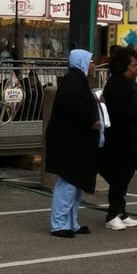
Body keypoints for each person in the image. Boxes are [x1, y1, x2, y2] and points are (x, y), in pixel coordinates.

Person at [43, 48, 100, 237]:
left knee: (76, 183)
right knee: (68, 182)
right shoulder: (73, 83)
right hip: (69, 143)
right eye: (91, 61)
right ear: (82, 62)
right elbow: (73, 106)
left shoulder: (78, 81)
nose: (93, 65)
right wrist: (91, 121)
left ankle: (71, 222)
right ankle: (59, 224)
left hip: (76, 142)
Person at [98, 45, 137, 231]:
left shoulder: (130, 84)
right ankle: (113, 214)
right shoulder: (117, 85)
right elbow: (124, 113)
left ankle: (121, 210)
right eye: (134, 65)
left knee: (125, 175)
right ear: (124, 66)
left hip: (133, 138)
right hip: (121, 137)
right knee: (119, 175)